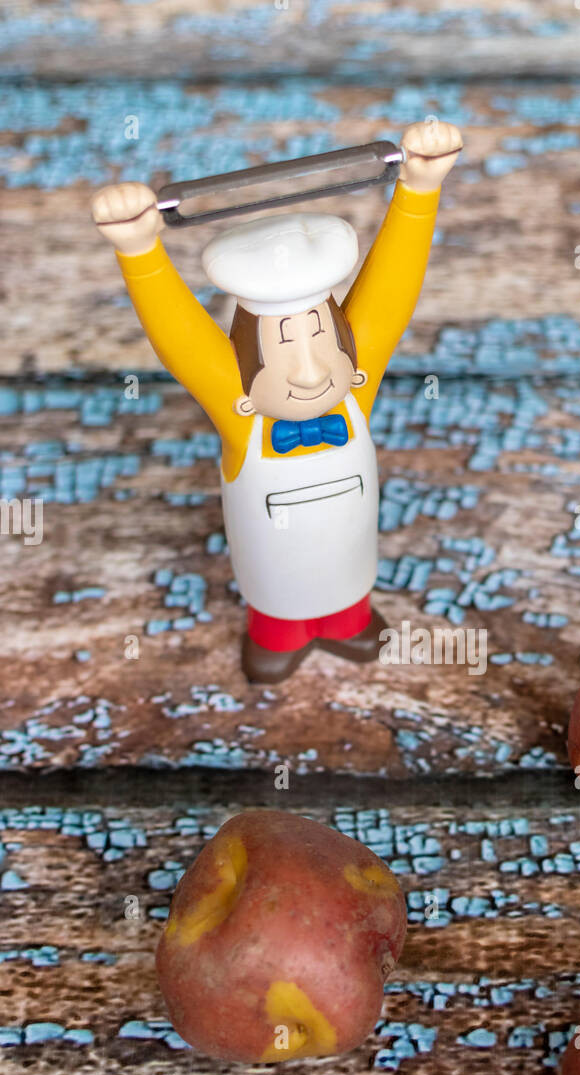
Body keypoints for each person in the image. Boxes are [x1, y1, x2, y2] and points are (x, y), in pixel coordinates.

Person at [92, 121, 462, 682]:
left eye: (321, 342)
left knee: (348, 577)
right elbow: (182, 339)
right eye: (285, 347)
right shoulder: (236, 404)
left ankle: (347, 621)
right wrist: (140, 251)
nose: (311, 373)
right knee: (278, 596)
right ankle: (278, 635)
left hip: (349, 547)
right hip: (273, 565)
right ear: (244, 368)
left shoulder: (356, 385)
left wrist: (420, 189)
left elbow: (391, 294)